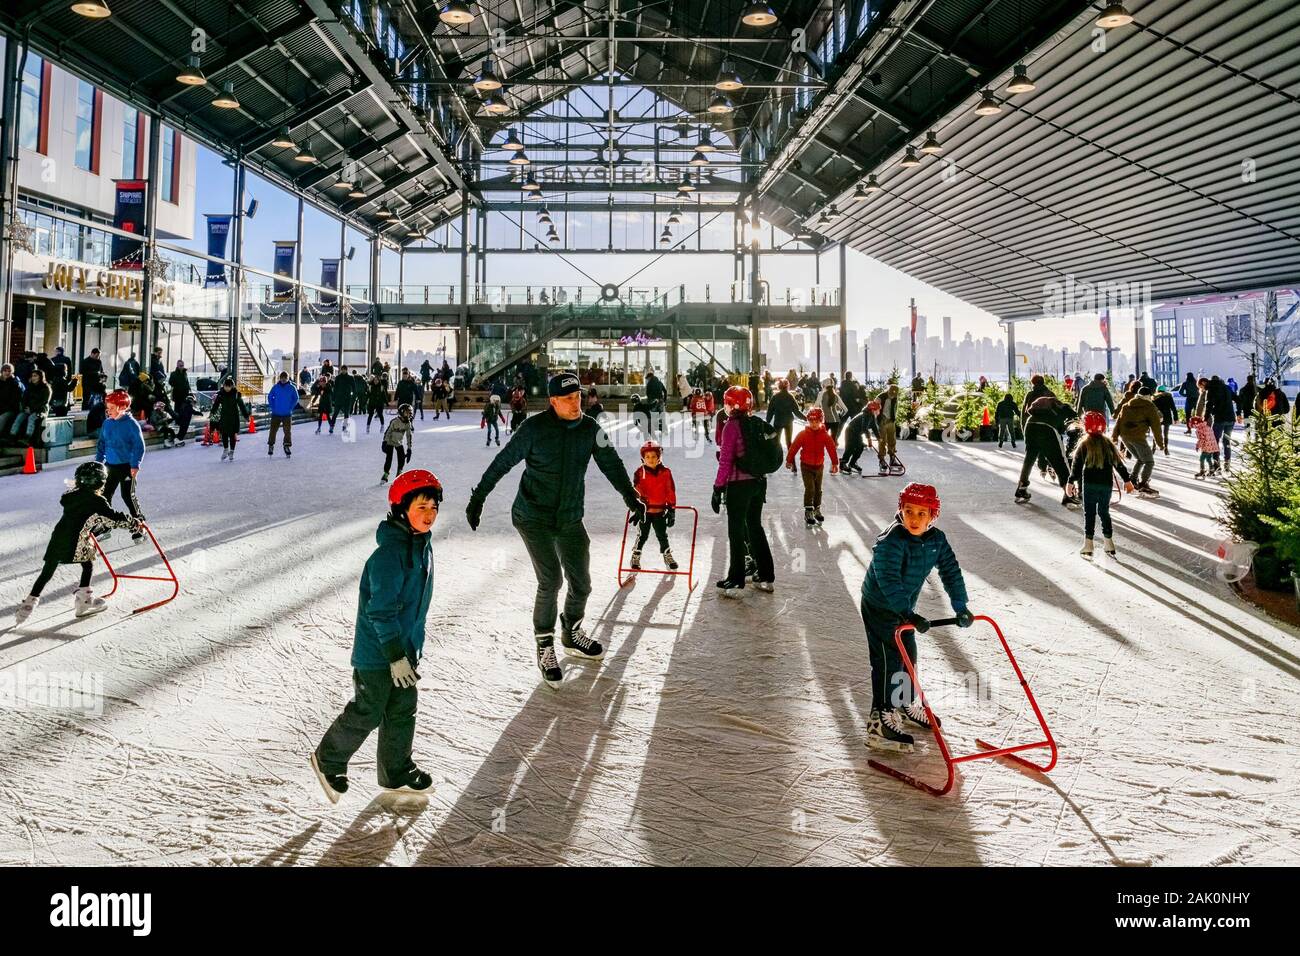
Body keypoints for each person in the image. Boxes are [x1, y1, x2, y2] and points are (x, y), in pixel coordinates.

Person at [465, 372, 644, 687]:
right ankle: (544, 641)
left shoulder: (590, 428)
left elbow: (612, 464)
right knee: (551, 579)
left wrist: (632, 498)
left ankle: (571, 631)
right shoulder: (533, 429)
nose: (576, 404)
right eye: (567, 399)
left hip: (569, 517)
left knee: (583, 583)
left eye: (578, 397)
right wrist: (477, 498)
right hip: (532, 515)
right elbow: (501, 463)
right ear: (552, 401)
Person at [311, 470, 442, 803]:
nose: (429, 515)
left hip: (405, 649)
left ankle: (396, 771)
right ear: (401, 509)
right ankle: (328, 759)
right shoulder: (388, 556)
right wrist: (395, 656)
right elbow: (380, 612)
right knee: (369, 709)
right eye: (421, 507)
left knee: (402, 710)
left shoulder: (420, 546)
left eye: (433, 508)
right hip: (378, 654)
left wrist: (408, 652)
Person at [859, 483, 972, 753]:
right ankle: (880, 719)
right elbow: (888, 582)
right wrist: (909, 613)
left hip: (904, 608)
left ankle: (905, 703)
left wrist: (960, 605)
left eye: (922, 513)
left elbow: (950, 570)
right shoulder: (891, 541)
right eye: (909, 511)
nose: (914, 518)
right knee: (888, 660)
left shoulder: (936, 540)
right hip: (880, 607)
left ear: (933, 515)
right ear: (901, 510)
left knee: (908, 655)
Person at [13, 461, 144, 625]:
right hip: (76, 541)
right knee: (88, 564)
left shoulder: (71, 495)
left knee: (47, 572)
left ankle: (27, 605)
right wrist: (134, 523)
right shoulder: (97, 501)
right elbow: (113, 518)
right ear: (101, 482)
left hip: (58, 538)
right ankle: (84, 603)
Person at [713, 385, 776, 596]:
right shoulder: (755, 423)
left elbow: (725, 460)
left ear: (731, 404)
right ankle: (766, 576)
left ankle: (736, 577)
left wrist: (718, 487)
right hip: (759, 483)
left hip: (739, 485)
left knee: (736, 530)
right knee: (755, 527)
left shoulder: (732, 426)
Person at [1067, 412, 1134, 557]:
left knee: (1089, 513)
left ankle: (1088, 544)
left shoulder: (1084, 444)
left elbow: (1076, 467)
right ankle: (1109, 543)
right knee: (1104, 512)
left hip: (1089, 485)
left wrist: (1070, 482)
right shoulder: (1108, 444)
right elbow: (1119, 465)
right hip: (1106, 486)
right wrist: (1127, 481)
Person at [95, 389, 146, 543]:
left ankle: (140, 526)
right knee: (104, 496)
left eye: (111, 408)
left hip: (126, 467)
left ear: (121, 407)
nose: (108, 411)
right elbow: (102, 444)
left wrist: (135, 464)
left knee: (128, 496)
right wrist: (98, 462)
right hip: (110, 466)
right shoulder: (107, 423)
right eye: (107, 407)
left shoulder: (131, 424)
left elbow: (139, 446)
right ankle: (106, 524)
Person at [1015, 393, 1080, 507]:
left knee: (1029, 458)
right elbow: (1072, 421)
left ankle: (1021, 489)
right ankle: (1069, 496)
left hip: (1030, 425)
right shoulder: (1066, 409)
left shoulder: (1048, 407)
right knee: (1060, 461)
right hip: (1047, 428)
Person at [630, 440, 678, 571]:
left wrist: (671, 509)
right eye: (647, 457)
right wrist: (636, 508)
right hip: (645, 511)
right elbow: (637, 491)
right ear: (643, 458)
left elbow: (670, 490)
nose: (650, 459)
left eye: (654, 456)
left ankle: (667, 555)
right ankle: (636, 555)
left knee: (662, 534)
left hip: (660, 511)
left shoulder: (666, 472)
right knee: (643, 535)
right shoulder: (639, 473)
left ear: (658, 457)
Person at [786, 407, 839, 526]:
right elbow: (794, 447)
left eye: (816, 422)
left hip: (819, 466)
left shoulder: (825, 435)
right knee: (810, 488)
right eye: (811, 421)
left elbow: (831, 449)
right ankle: (808, 510)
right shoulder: (803, 434)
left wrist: (835, 463)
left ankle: (817, 508)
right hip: (806, 466)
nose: (814, 424)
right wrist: (789, 460)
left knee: (818, 489)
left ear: (821, 421)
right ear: (808, 421)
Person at [1111, 386, 1166, 496]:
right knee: (1149, 462)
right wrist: (1160, 443)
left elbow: (1118, 421)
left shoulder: (1127, 405)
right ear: (1148, 396)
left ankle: (1132, 480)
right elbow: (1156, 426)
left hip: (1125, 437)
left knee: (1140, 459)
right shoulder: (1149, 406)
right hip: (1137, 437)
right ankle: (1143, 484)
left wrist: (1115, 437)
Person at [210, 377, 250, 461]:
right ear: (223, 386)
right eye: (225, 386)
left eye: (229, 386)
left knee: (232, 435)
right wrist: (212, 412)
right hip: (224, 417)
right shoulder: (221, 394)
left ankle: (231, 451)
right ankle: (225, 449)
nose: (227, 388)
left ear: (232, 386)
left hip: (233, 418)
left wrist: (246, 415)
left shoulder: (236, 394)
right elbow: (216, 404)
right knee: (224, 434)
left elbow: (242, 405)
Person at [1204, 375, 1237, 474]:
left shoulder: (1212, 390)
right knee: (1227, 441)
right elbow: (1237, 398)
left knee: (1215, 441)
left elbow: (1209, 405)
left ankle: (1217, 464)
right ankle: (1227, 464)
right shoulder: (1227, 388)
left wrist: (1205, 418)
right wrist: (1239, 412)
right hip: (1230, 418)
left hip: (1219, 418)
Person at [10, 369, 50, 446]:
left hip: (40, 410)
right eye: (32, 376)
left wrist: (32, 409)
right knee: (19, 417)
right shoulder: (29, 388)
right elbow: (24, 399)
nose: (33, 378)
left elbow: (44, 402)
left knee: (31, 418)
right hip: (28, 409)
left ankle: (27, 438)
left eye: (35, 376)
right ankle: (12, 436)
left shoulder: (46, 388)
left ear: (40, 377)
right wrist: (25, 407)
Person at [266, 371, 299, 458]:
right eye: (282, 378)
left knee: (287, 431)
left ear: (288, 378)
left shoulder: (292, 388)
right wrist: (273, 406)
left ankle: (287, 445)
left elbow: (296, 398)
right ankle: (271, 445)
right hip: (276, 413)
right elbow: (270, 396)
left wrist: (290, 407)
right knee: (273, 430)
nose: (283, 380)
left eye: (285, 378)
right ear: (280, 378)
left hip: (287, 414)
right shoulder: (276, 387)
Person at [764, 378, 803, 450]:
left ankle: (776, 458)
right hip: (788, 421)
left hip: (778, 421)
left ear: (779, 386)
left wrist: (767, 421)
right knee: (789, 442)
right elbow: (796, 411)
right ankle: (791, 460)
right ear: (788, 386)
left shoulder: (775, 397)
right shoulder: (790, 396)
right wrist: (805, 418)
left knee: (777, 442)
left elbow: (770, 411)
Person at [381, 404, 415, 483]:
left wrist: (409, 449)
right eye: (407, 412)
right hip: (390, 442)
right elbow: (388, 431)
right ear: (402, 412)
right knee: (389, 458)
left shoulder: (408, 423)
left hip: (398, 442)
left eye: (410, 413)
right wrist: (384, 442)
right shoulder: (395, 421)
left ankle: (399, 472)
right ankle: (386, 474)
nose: (409, 414)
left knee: (402, 457)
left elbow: (409, 436)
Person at [874, 384, 902, 475]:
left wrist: (893, 419)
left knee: (892, 440)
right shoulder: (880, 397)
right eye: (891, 394)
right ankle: (882, 460)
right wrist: (878, 420)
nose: (892, 396)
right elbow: (874, 410)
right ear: (888, 391)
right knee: (882, 441)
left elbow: (895, 409)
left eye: (894, 394)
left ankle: (892, 458)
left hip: (891, 422)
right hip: (882, 421)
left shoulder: (895, 398)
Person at [840, 408, 871, 474]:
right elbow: (864, 428)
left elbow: (874, 427)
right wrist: (869, 439)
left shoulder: (870, 415)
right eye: (878, 409)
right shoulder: (866, 415)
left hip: (857, 433)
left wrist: (879, 438)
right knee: (850, 447)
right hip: (851, 431)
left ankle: (852, 463)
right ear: (873, 410)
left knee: (860, 447)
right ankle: (843, 464)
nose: (879, 411)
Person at [1152, 385, 1177, 455]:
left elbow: (1152, 409)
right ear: (1165, 390)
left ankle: (1153, 447)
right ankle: (1166, 449)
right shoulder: (1169, 397)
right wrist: (1176, 418)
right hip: (1167, 417)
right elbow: (1173, 408)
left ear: (1157, 390)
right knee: (1166, 434)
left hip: (1157, 417)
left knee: (1156, 433)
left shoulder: (1154, 398)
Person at [0, 364, 21, 440]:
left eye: (9, 371)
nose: (7, 373)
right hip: (2, 407)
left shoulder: (15, 383)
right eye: (5, 371)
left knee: (2, 418)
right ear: (2, 372)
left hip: (10, 409)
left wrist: (3, 408)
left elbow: (14, 400)